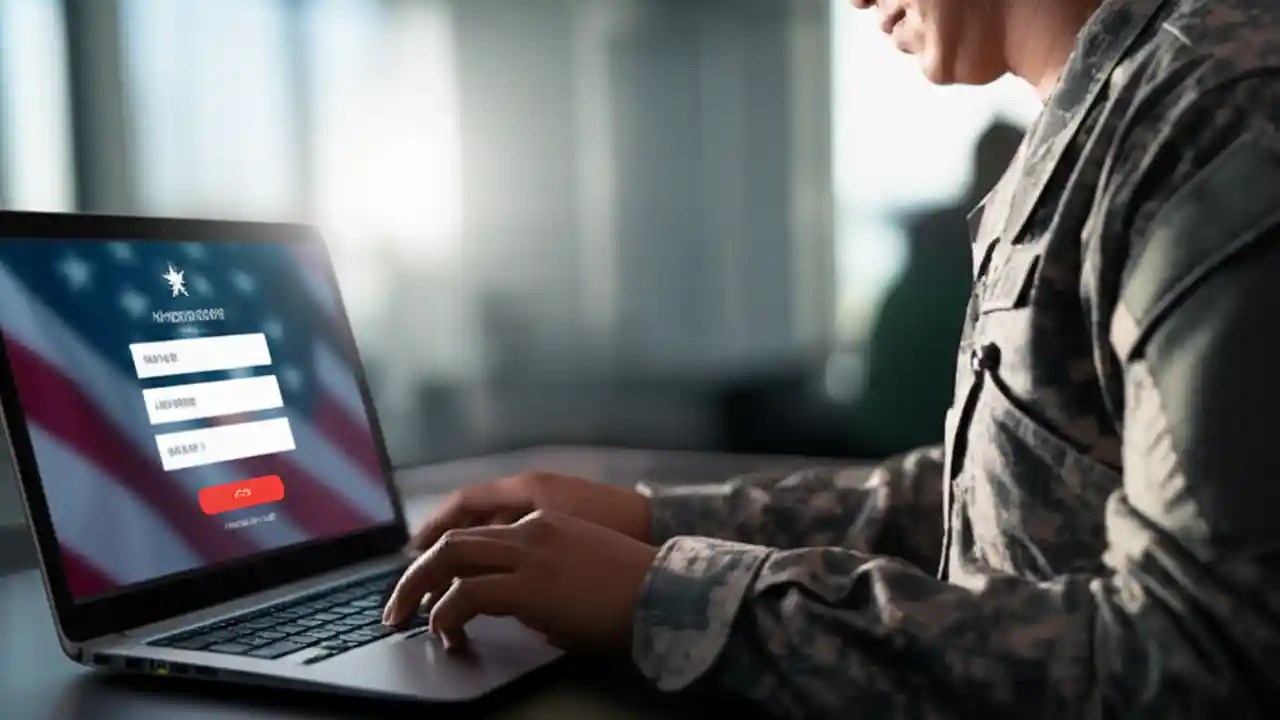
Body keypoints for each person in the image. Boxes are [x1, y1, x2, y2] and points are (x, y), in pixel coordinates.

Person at [381, 0, 1280, 715]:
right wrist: (649, 523)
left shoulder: (1214, 109)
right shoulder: (1105, 110)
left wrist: (671, 599)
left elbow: (1200, 664)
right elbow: (1021, 505)